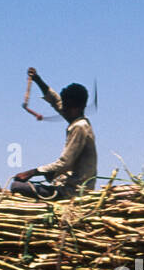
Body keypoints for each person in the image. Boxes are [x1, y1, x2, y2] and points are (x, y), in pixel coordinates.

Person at [10, 68, 97, 200]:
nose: (63, 109)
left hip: (73, 192)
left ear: (77, 107)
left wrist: (33, 172)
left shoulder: (80, 127)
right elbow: (55, 100)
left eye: (67, 107)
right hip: (67, 186)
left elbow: (64, 163)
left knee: (17, 186)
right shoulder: (74, 117)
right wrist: (38, 80)